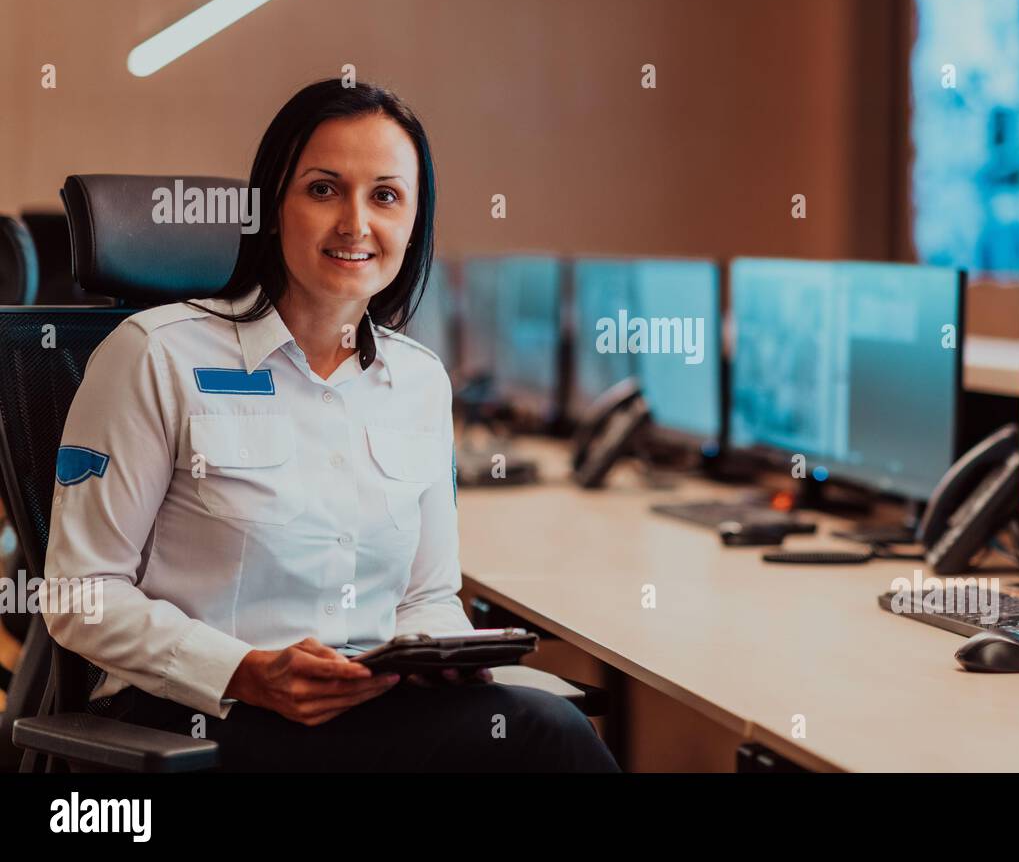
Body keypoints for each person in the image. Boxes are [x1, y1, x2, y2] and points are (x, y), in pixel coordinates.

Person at [42, 80, 619, 772]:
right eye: (323, 190)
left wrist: (441, 656)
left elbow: (426, 595)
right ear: (271, 208)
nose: (355, 224)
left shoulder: (419, 381)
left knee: (542, 726)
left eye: (385, 195)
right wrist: (246, 670)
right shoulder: (154, 355)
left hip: (364, 713)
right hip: (197, 719)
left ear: (414, 221)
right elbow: (80, 597)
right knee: (544, 739)